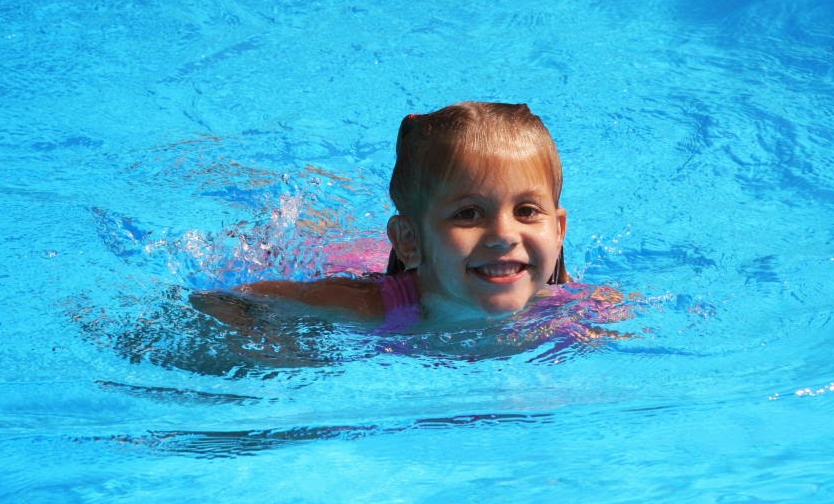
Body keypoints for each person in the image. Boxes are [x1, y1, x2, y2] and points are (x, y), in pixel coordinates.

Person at [190, 101, 593, 333]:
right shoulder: (368, 307)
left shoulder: (576, 311)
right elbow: (228, 300)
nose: (504, 235)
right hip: (346, 264)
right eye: (468, 214)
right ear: (409, 240)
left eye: (526, 211)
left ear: (558, 229)